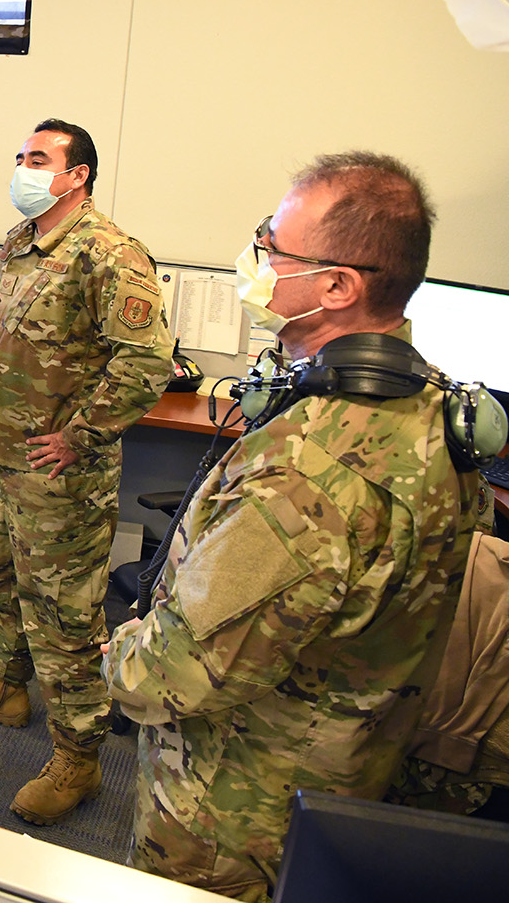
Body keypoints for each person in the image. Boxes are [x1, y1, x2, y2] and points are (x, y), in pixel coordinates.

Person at [103, 152, 486, 900]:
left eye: (274, 246)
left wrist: (108, 654)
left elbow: (176, 674)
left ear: (339, 286)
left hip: (235, 815)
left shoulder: (308, 475)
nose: (258, 261)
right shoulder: (436, 408)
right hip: (356, 765)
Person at [0, 118, 170, 826]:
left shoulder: (109, 254)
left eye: (39, 159)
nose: (24, 169)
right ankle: (2, 687)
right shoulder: (22, 243)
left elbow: (146, 362)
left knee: (63, 617)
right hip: (5, 457)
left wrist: (81, 433)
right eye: (22, 156)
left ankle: (79, 759)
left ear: (77, 174)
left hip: (62, 477)